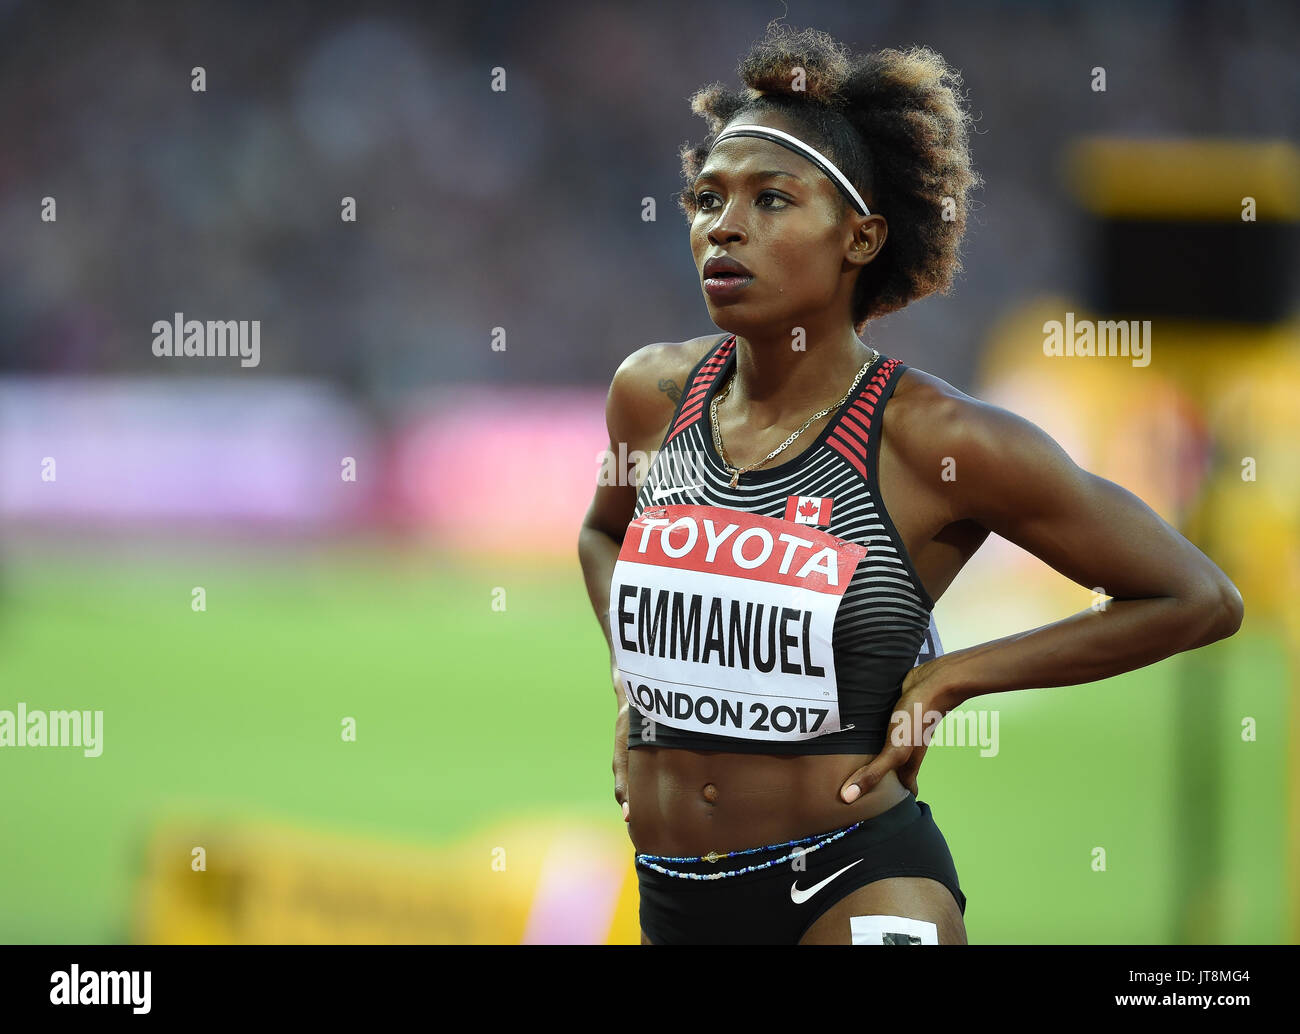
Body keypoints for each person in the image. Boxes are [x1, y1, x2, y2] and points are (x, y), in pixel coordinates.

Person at [576, 22, 1243, 945]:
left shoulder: (939, 440)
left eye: (772, 200)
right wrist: (632, 687)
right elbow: (601, 535)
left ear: (861, 237)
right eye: (705, 198)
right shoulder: (651, 394)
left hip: (856, 882)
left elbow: (1195, 596)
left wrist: (953, 677)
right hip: (673, 897)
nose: (722, 226)